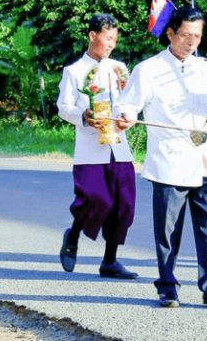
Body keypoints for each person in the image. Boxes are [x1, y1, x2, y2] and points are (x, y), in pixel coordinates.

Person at [115, 6, 207, 308]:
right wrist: (124, 117)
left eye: (197, 36)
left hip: (205, 158)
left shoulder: (206, 67)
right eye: (186, 35)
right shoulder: (147, 69)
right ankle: (167, 285)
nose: (191, 42)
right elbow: (128, 105)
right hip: (169, 159)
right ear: (170, 33)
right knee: (168, 229)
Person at [56, 14, 138, 280]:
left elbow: (130, 101)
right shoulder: (74, 71)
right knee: (95, 199)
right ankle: (75, 233)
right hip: (91, 148)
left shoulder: (120, 69)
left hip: (119, 147)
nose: (112, 44)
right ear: (93, 36)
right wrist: (84, 117)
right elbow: (63, 107)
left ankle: (110, 261)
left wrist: (128, 116)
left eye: (115, 39)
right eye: (108, 38)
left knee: (123, 204)